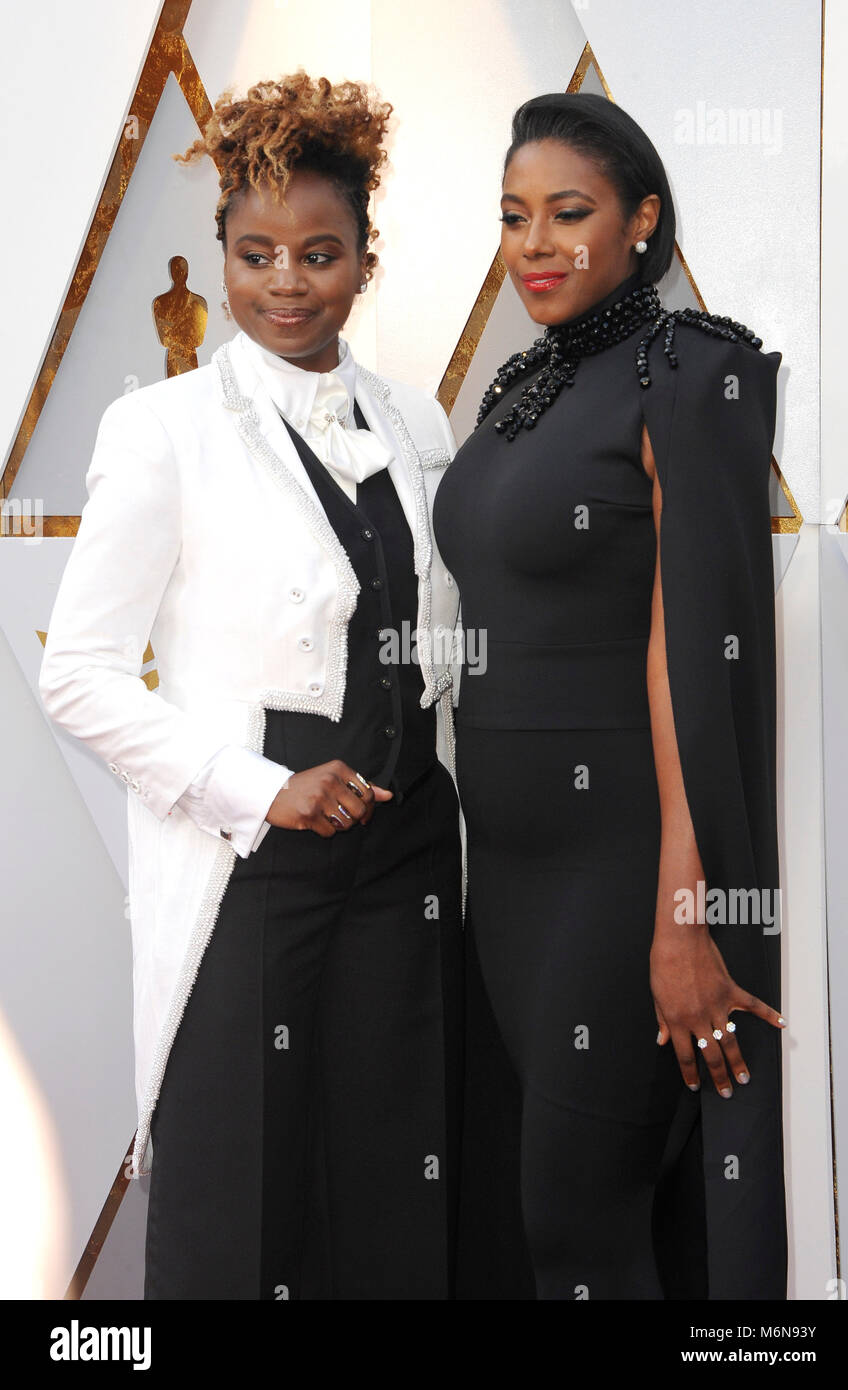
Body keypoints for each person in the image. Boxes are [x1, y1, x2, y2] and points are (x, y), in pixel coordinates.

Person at [38, 71, 463, 1300]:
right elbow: (79, 674)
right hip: (250, 866)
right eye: (257, 252)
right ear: (220, 253)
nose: (287, 281)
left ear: (364, 260)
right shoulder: (160, 429)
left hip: (405, 858)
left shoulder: (411, 417)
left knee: (393, 1178)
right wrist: (257, 786)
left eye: (319, 253)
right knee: (239, 1192)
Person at [432, 91, 787, 1300]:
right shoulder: (511, 393)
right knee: (518, 1223)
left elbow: (689, 658)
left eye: (567, 213)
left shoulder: (688, 371)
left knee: (576, 1218)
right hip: (504, 875)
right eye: (513, 216)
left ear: (641, 220)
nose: (534, 243)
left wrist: (684, 914)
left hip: (619, 859)